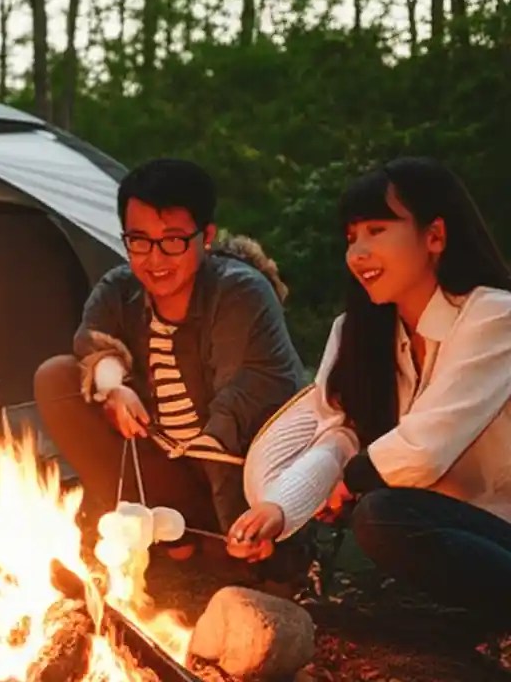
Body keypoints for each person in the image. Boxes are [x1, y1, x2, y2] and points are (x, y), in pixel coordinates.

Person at [229, 158, 511, 634]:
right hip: (444, 529)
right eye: (351, 237)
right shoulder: (357, 332)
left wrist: (351, 479)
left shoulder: (493, 317)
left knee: (380, 517)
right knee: (379, 520)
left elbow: (425, 447)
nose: (358, 253)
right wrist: (276, 510)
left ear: (435, 236)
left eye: (377, 230)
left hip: (496, 527)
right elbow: (340, 436)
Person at [34, 158, 306, 567]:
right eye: (139, 240)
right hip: (169, 465)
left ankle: (229, 540)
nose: (155, 259)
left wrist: (238, 524)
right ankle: (163, 530)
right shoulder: (119, 290)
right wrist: (114, 387)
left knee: (248, 545)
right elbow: (94, 343)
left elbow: (240, 408)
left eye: (173, 240)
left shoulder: (239, 294)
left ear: (206, 236)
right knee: (56, 378)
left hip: (246, 477)